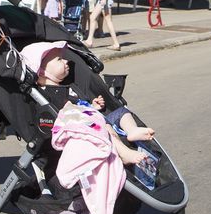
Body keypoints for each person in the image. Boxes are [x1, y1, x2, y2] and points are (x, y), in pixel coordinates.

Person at [19, 42, 151, 165]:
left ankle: (132, 130)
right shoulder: (48, 96)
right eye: (59, 59)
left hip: (93, 118)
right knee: (106, 129)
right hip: (84, 131)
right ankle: (124, 153)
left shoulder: (68, 86)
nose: (66, 61)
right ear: (42, 72)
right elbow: (68, 115)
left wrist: (93, 105)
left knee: (121, 111)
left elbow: (81, 105)